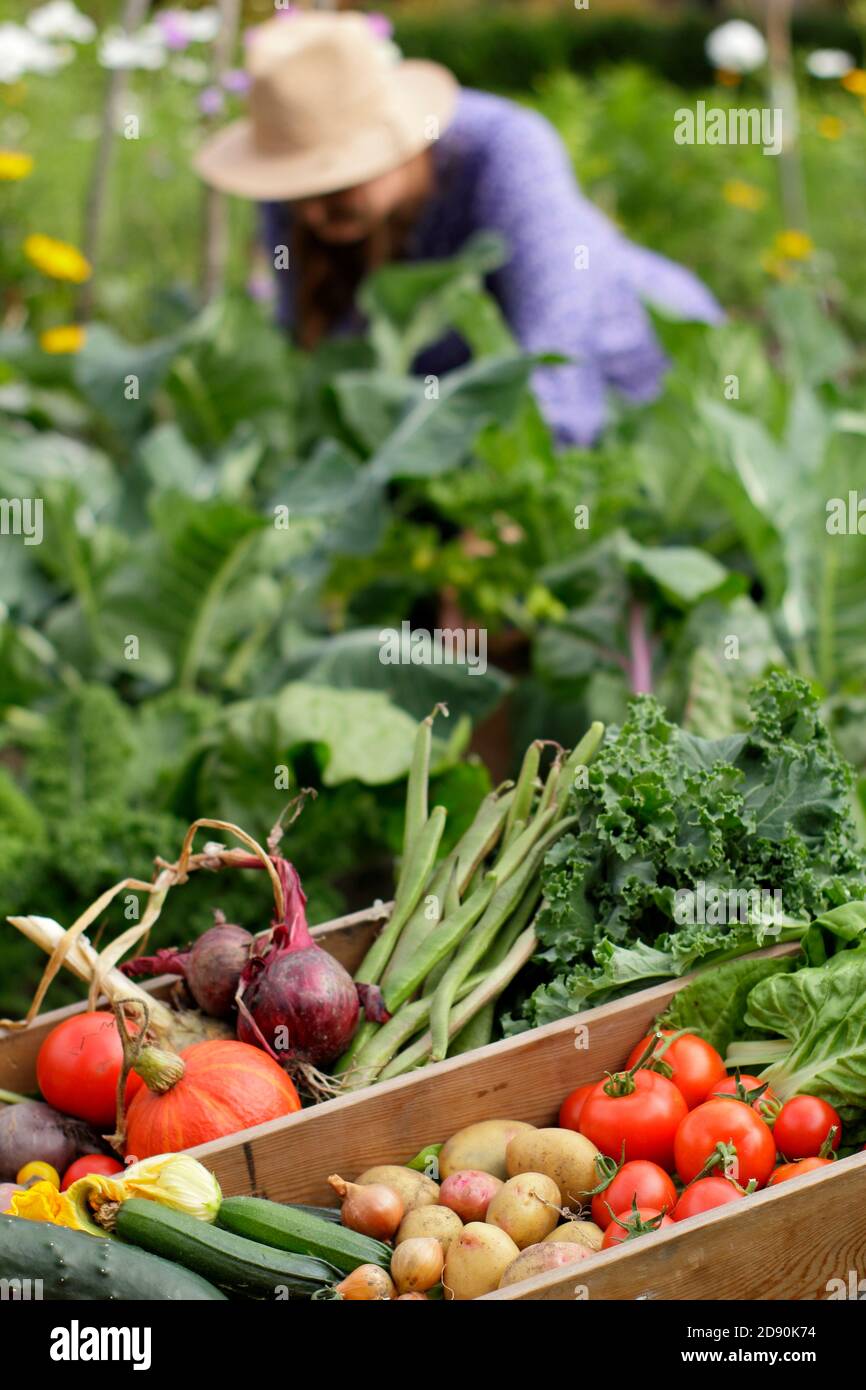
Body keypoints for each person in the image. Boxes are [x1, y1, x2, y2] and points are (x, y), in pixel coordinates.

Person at [195, 11, 723, 446]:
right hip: (469, 430)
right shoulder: (300, 201)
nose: (311, 214)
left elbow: (558, 349)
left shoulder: (504, 152)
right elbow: (312, 356)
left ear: (397, 142)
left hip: (645, 384)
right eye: (296, 191)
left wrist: (512, 508)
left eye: (336, 186)